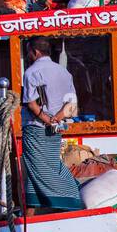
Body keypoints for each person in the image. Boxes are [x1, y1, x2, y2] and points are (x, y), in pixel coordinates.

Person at [20, 37, 83, 213]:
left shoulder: (31, 72)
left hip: (36, 129)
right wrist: (57, 118)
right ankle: (30, 215)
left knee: (41, 170)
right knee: (39, 169)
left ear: (34, 51)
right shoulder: (64, 72)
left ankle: (72, 198)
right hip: (55, 130)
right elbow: (71, 104)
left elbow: (31, 104)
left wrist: (48, 120)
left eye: (29, 52)